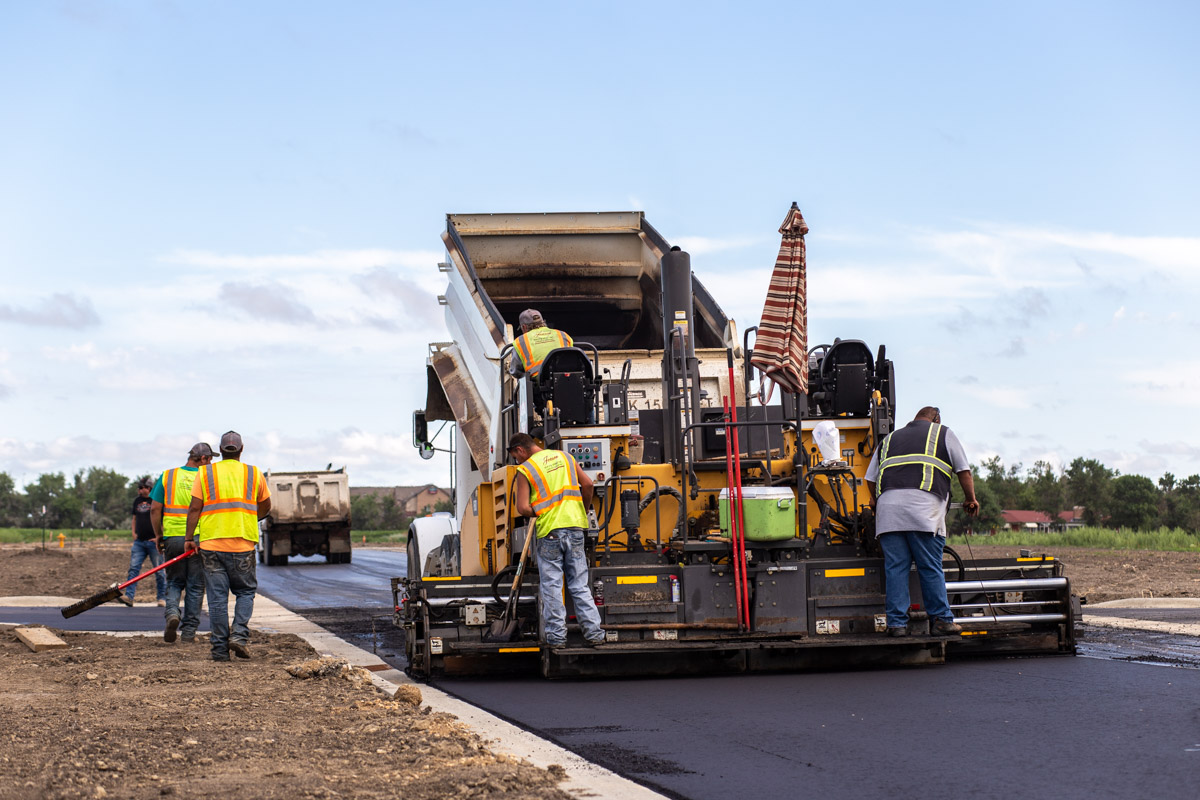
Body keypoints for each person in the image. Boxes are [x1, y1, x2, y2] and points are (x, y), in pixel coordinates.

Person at [864, 406, 980, 637]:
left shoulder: (889, 438)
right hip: (923, 511)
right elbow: (964, 471)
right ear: (936, 419)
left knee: (896, 568)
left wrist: (878, 500)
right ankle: (942, 620)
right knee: (929, 567)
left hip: (888, 514)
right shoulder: (943, 433)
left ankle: (896, 625)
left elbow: (869, 478)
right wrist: (971, 499)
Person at [508, 432, 605, 648]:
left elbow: (522, 507)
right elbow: (588, 485)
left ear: (520, 450)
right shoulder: (566, 457)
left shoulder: (525, 469)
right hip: (575, 527)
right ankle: (594, 635)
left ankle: (557, 638)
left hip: (550, 531)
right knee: (579, 585)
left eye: (515, 456)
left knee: (552, 586)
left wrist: (541, 511)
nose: (517, 460)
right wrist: (583, 509)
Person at [184, 431, 271, 662]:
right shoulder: (254, 473)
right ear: (241, 450)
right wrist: (250, 519)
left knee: (217, 599)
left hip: (212, 544)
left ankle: (220, 651)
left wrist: (189, 538)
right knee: (245, 592)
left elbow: (194, 508)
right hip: (242, 543)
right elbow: (265, 506)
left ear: (220, 452)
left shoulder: (206, 472)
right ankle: (239, 636)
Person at [151, 442, 214, 643]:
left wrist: (159, 535)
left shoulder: (168, 476)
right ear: (203, 459)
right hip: (197, 539)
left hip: (172, 538)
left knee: (175, 581)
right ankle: (189, 633)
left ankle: (172, 614)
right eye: (210, 459)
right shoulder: (206, 478)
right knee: (195, 585)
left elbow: (154, 509)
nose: (211, 464)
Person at [121, 477, 167, 607]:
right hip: (139, 542)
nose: (140, 490)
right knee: (134, 568)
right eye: (139, 488)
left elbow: (162, 520)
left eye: (143, 488)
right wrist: (133, 533)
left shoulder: (156, 501)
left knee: (159, 571)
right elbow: (134, 518)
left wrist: (160, 536)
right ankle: (129, 596)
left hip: (154, 542)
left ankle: (162, 598)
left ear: (149, 488)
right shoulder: (137, 501)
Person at [509, 309, 573, 381]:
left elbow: (516, 372)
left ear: (524, 327)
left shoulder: (520, 341)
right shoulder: (563, 335)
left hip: (540, 383)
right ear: (543, 322)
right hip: (568, 378)